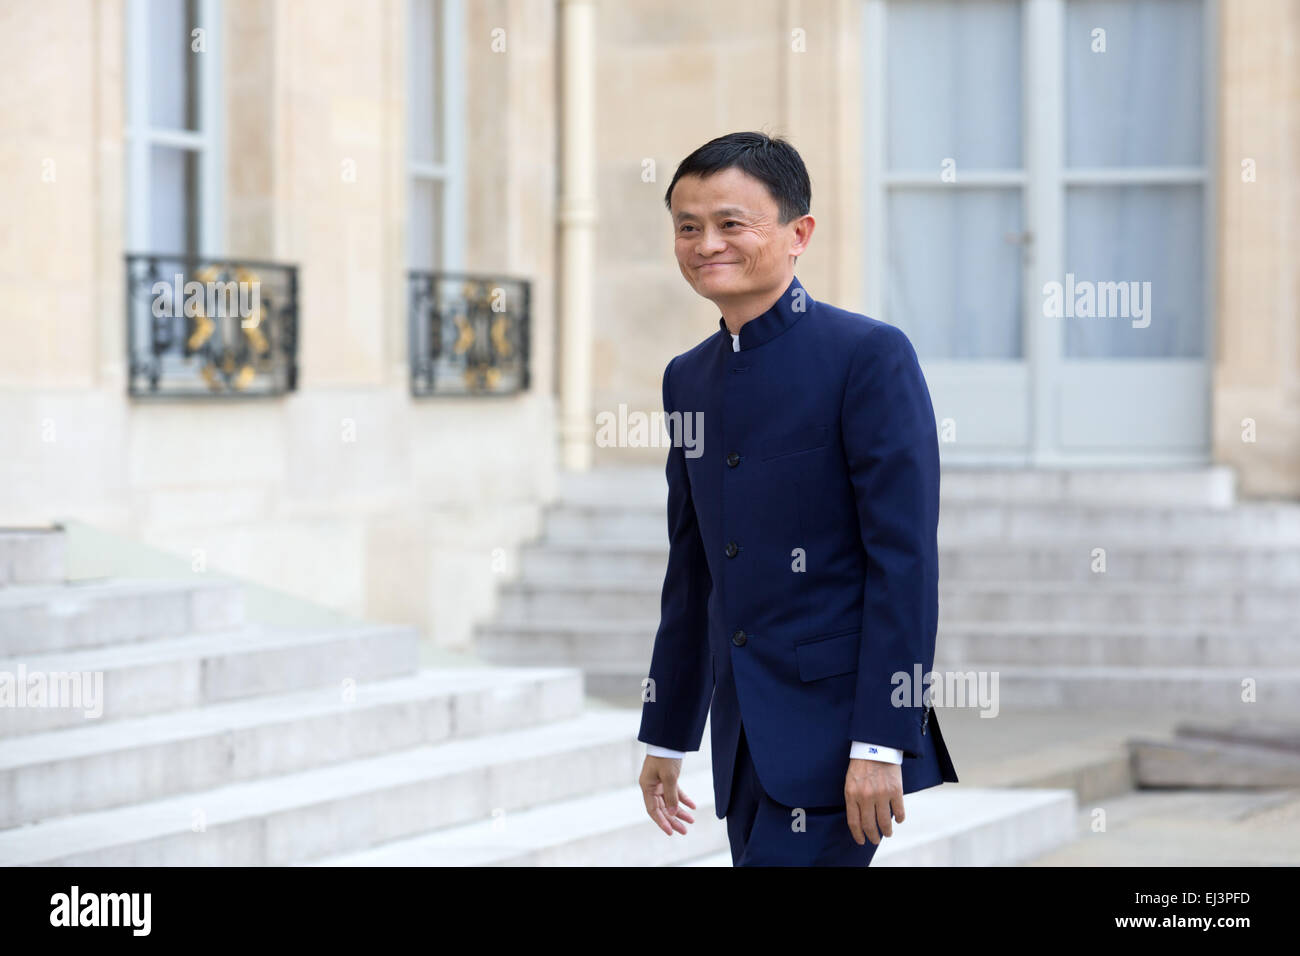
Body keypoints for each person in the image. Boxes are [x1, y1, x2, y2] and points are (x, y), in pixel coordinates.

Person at [637, 131, 958, 866]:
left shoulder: (868, 357)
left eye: (730, 224)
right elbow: (691, 574)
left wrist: (883, 741)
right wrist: (666, 731)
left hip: (841, 743)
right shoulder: (686, 378)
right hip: (743, 739)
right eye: (688, 227)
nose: (705, 243)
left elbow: (903, 565)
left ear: (798, 233)